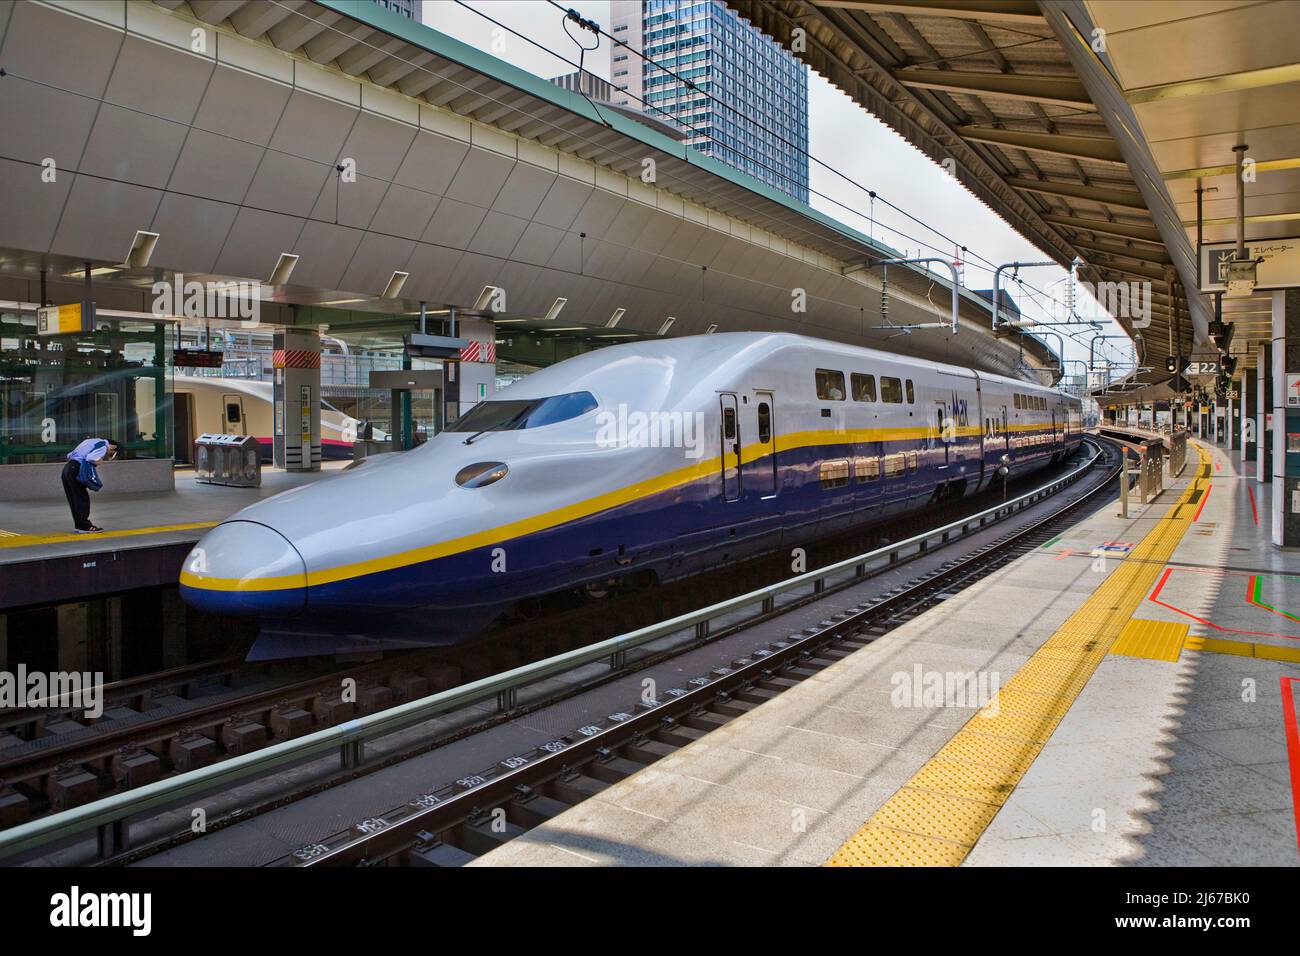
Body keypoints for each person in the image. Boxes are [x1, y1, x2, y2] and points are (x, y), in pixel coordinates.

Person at [61, 438, 119, 534]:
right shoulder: (103, 445)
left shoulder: (90, 441)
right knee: (82, 498)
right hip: (76, 469)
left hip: (67, 468)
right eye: (112, 454)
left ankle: (79, 525)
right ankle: (85, 526)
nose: (108, 455)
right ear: (113, 446)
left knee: (74, 499)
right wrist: (99, 461)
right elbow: (91, 458)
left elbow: (69, 455)